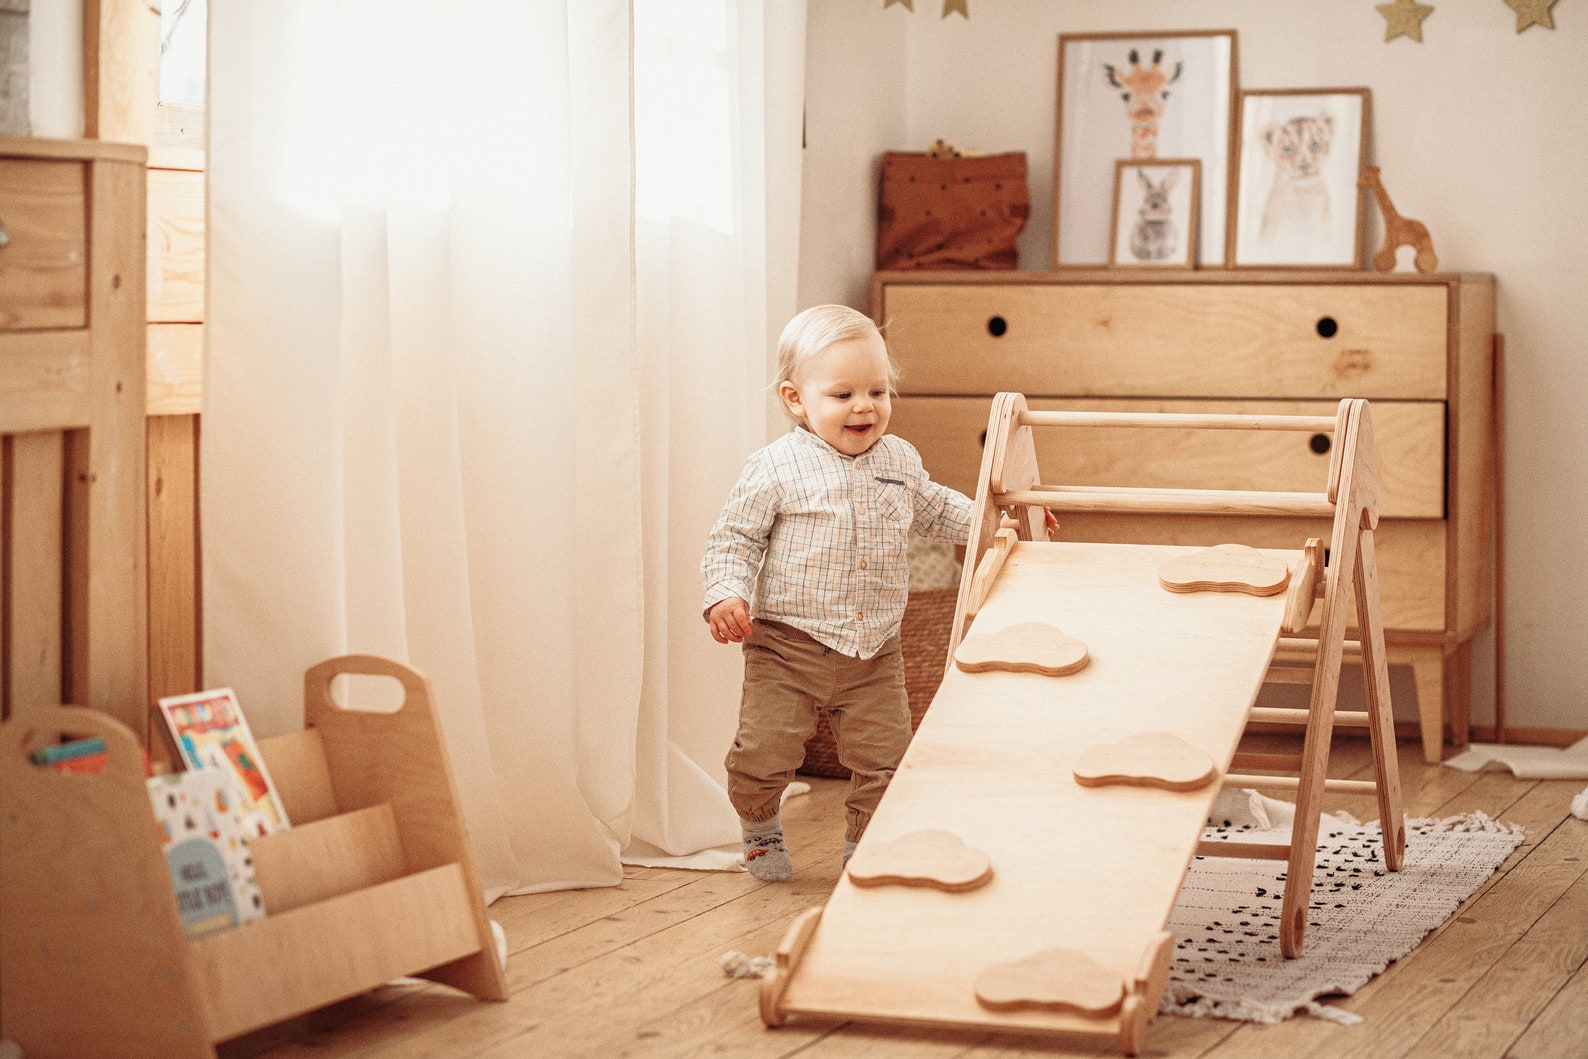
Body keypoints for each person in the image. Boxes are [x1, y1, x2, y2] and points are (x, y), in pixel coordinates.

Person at [701, 304, 975, 881]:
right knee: (764, 752)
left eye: (878, 390)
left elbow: (935, 507)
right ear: (796, 399)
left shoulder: (899, 461)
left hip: (875, 650)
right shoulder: (774, 467)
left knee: (887, 760)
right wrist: (726, 593)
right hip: (787, 645)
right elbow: (735, 538)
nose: (865, 406)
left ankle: (866, 845)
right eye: (843, 393)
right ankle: (758, 824)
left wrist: (993, 520)